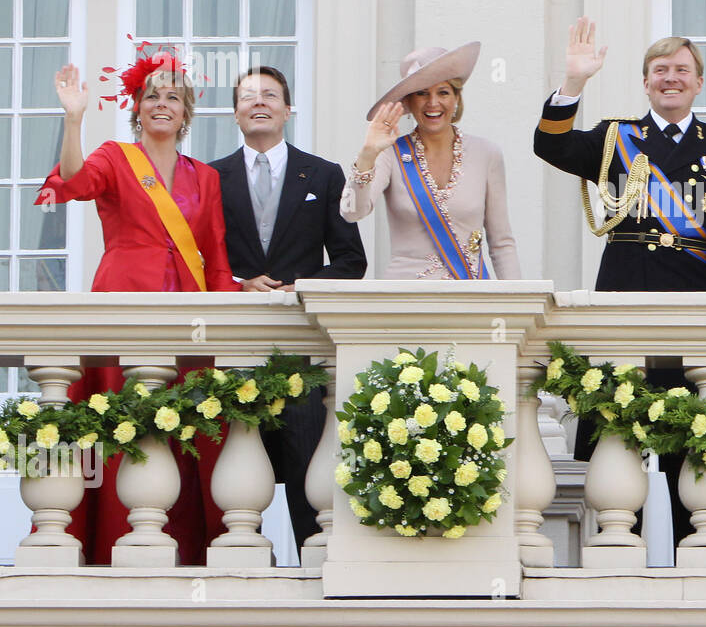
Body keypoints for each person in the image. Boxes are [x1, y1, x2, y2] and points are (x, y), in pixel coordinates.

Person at [533, 17, 706, 547]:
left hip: (696, 305)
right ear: (646, 82)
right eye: (660, 70)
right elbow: (551, 148)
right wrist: (573, 83)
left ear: (699, 82)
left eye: (682, 70)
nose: (671, 78)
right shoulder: (618, 138)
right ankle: (617, 560)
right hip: (626, 297)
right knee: (619, 430)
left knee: (693, 445)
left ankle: (696, 560)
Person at [38, 49, 239, 565]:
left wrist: (234, 314)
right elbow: (73, 183)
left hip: (188, 316)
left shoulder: (206, 178)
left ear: (186, 111)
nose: (162, 103)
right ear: (137, 106)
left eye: (173, 96)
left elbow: (215, 259)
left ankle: (186, 552)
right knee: (120, 428)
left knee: (183, 434)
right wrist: (74, 117)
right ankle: (107, 547)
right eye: (152, 95)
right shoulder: (114, 157)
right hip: (124, 301)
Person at [210, 65, 367, 549]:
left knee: (306, 467)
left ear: (287, 108)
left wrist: (297, 286)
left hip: (301, 351)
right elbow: (196, 260)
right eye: (248, 97)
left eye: (271, 95)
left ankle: (314, 566)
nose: (260, 103)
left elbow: (351, 261)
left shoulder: (322, 173)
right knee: (229, 469)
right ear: (235, 112)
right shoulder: (211, 178)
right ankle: (234, 573)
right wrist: (238, 284)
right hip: (230, 349)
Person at [342, 42, 521, 280]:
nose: (433, 103)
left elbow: (501, 243)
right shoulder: (390, 153)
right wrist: (368, 154)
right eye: (422, 93)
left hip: (468, 299)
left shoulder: (486, 153)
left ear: (457, 97)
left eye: (443, 92)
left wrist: (515, 305)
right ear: (409, 101)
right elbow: (351, 212)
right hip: (406, 300)